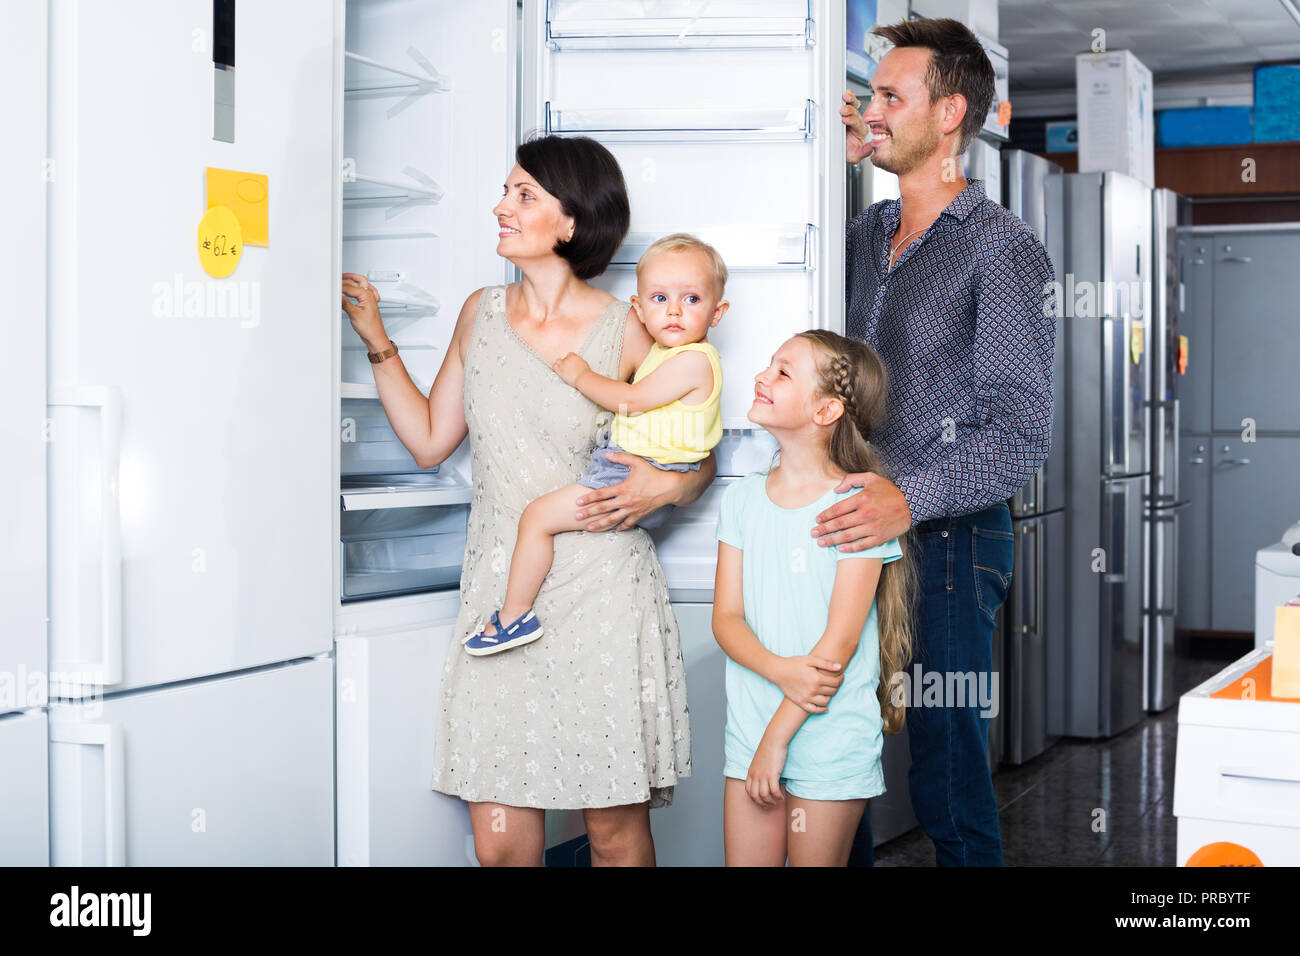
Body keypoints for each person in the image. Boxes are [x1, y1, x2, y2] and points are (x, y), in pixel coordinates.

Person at [341, 134, 710, 866]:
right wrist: (377, 341)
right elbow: (429, 441)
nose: (500, 207)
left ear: (572, 222)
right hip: (501, 597)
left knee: (612, 833)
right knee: (501, 843)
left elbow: (694, 449)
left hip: (603, 595)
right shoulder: (479, 313)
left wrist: (667, 486)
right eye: (506, 192)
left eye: (523, 195)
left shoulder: (629, 327)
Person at [829, 18, 1056, 866]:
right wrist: (824, 154)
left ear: (950, 112)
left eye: (891, 96)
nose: (872, 111)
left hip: (951, 542)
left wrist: (909, 497)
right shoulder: (859, 238)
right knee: (837, 754)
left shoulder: (1001, 251)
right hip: (855, 527)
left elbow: (1019, 434)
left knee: (946, 771)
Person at [464, 233, 728, 656]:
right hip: (634, 471)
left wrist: (579, 375)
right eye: (660, 299)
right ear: (639, 309)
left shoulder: (693, 360)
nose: (674, 310)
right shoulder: (667, 353)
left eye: (692, 300)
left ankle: (514, 615)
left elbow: (632, 401)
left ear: (718, 313)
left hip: (630, 475)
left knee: (535, 518)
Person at [713, 330, 917, 866]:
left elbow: (836, 647)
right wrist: (781, 672)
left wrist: (776, 741)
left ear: (826, 410)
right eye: (768, 365)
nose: (761, 376)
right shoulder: (741, 500)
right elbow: (727, 619)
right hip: (751, 729)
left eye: (782, 372)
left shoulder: (859, 505)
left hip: (827, 741)